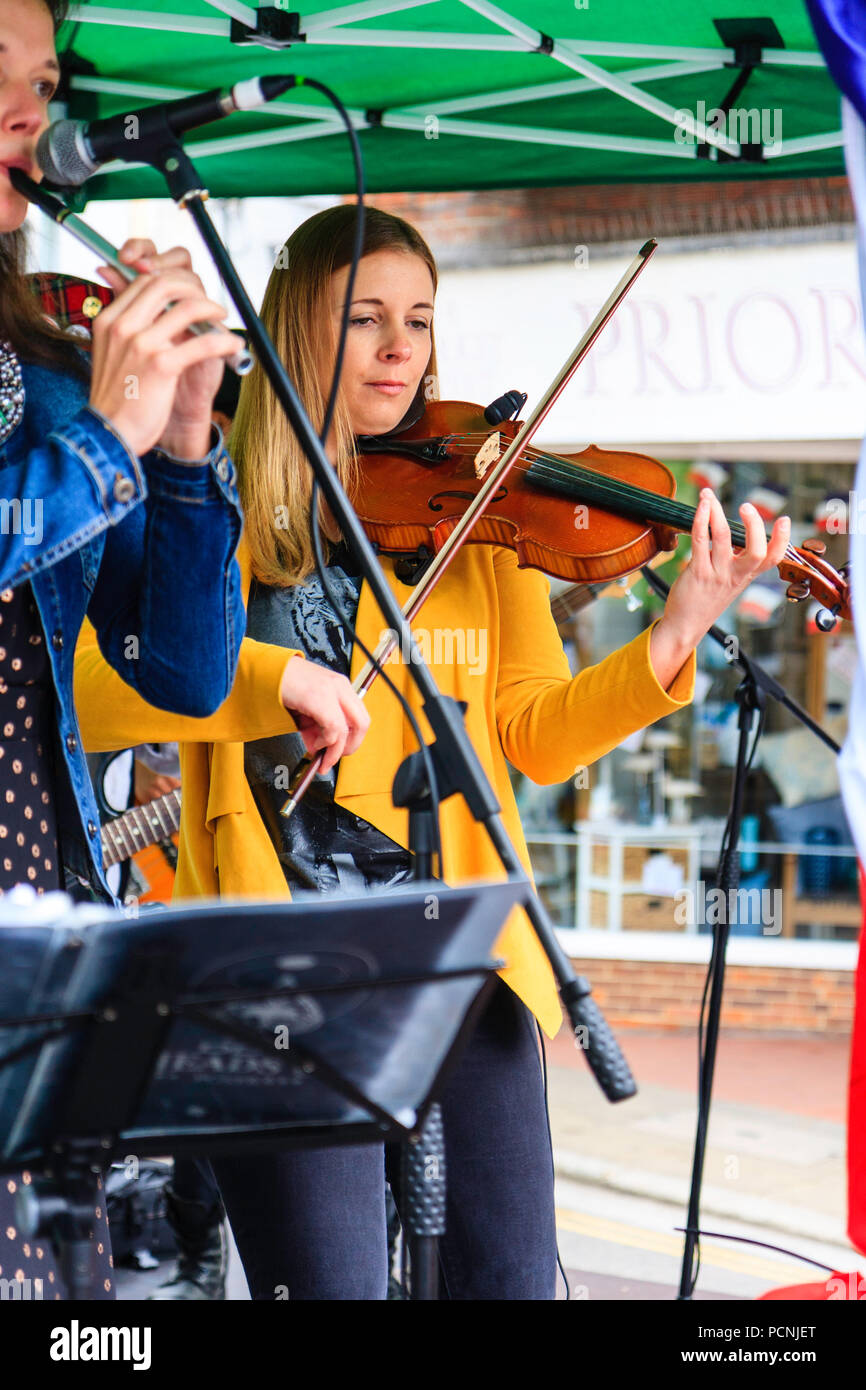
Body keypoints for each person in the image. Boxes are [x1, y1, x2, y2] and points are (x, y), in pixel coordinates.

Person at [74, 204, 791, 1299]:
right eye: (362, 318)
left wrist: (675, 630)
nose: (400, 346)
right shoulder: (204, 494)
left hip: (463, 959)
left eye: (417, 318)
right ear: (295, 333)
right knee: (332, 1285)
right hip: (276, 976)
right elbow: (98, 688)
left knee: (504, 1281)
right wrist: (279, 678)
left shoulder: (479, 509)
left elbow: (531, 736)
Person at [0, 0, 251, 1300]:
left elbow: (183, 671)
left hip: (45, 913)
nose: (29, 111)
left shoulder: (41, 357)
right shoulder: (70, 405)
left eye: (40, 81)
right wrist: (106, 438)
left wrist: (187, 437)